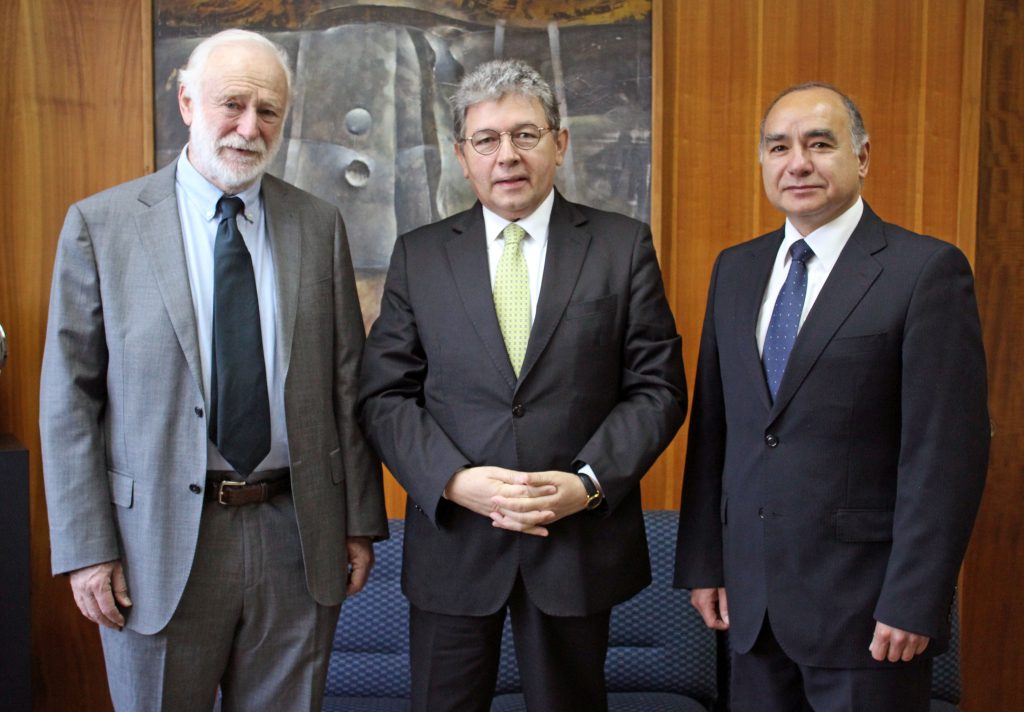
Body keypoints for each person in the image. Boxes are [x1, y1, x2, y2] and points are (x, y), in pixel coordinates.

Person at [39, 29, 387, 711]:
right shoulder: (101, 226)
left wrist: (358, 522)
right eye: (232, 104)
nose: (249, 128)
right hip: (156, 548)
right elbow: (68, 401)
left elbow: (349, 383)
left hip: (297, 535)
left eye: (269, 113)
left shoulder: (319, 226)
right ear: (187, 101)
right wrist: (86, 549)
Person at [357, 58, 686, 711]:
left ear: (559, 144)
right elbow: (384, 394)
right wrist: (453, 480)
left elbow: (658, 387)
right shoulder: (419, 256)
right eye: (487, 140)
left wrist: (588, 484)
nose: (507, 156)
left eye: (525, 135)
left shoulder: (621, 247)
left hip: (574, 544)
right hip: (454, 544)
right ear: (462, 155)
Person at [674, 82, 989, 711]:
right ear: (762, 161)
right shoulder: (735, 270)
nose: (798, 163)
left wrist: (915, 598)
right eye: (779, 147)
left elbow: (945, 456)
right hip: (752, 607)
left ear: (863, 157)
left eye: (820, 144)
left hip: (868, 614)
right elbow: (717, 429)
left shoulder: (924, 271)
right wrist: (706, 562)